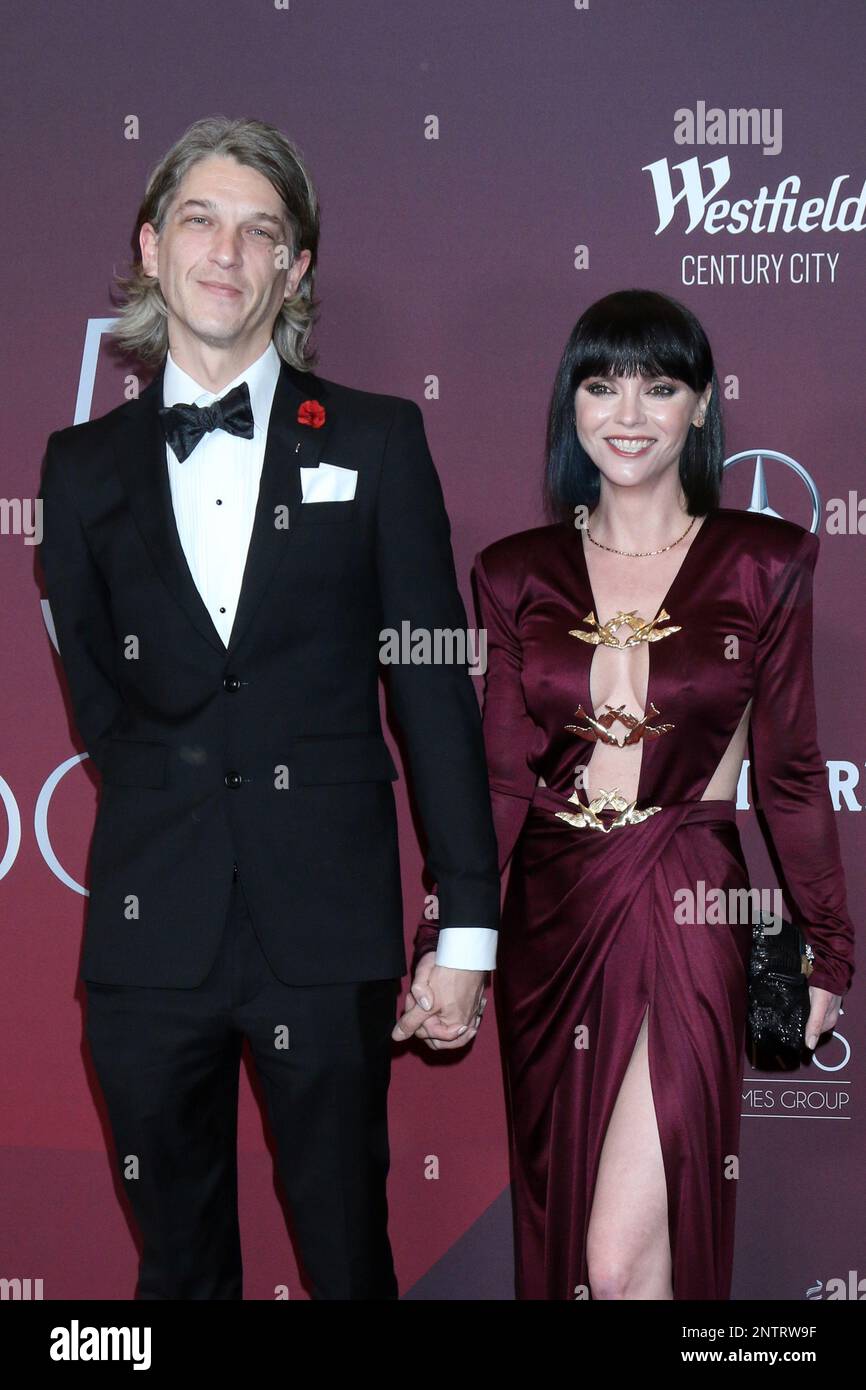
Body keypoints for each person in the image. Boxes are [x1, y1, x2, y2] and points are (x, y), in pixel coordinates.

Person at [37, 115, 500, 1300]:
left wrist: (463, 929)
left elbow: (432, 687)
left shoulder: (378, 439)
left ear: (294, 270)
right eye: (199, 219)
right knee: (176, 1267)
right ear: (150, 247)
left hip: (326, 926)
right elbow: (101, 699)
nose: (226, 252)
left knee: (348, 1257)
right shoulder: (78, 468)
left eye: (261, 231)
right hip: (151, 935)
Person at [406, 288, 855, 1300]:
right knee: (588, 1262)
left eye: (659, 386)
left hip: (682, 901)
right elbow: (498, 783)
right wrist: (446, 939)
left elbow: (787, 774)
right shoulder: (512, 574)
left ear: (699, 407)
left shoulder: (762, 563)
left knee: (615, 1255)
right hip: (549, 929)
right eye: (601, 384)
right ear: (570, 404)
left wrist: (827, 946)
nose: (628, 412)